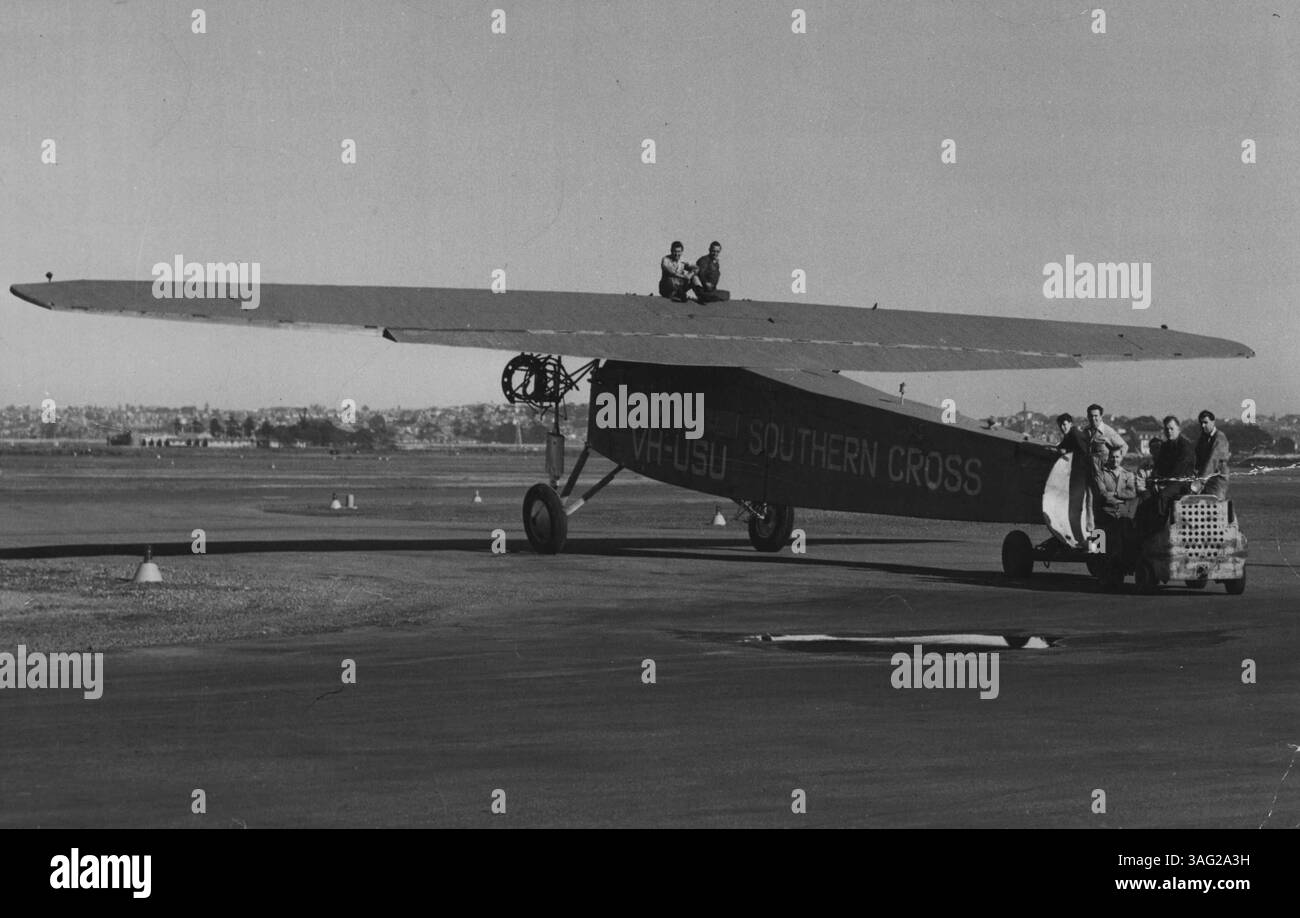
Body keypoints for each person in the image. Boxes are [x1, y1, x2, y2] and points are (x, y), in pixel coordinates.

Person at [1135, 414, 1195, 535]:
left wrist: (1164, 484)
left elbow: (1179, 471)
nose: (1169, 431)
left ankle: (1159, 529)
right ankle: (1141, 530)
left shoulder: (1185, 447)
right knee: (1146, 497)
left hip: (1182, 482)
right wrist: (1156, 482)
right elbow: (1159, 467)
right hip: (1169, 481)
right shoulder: (1166, 446)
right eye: (1166, 429)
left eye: (1172, 428)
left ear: (1179, 429)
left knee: (1163, 495)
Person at [1083, 403, 1127, 482]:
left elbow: (1124, 447)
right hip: (1089, 472)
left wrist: (1115, 464)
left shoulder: (1108, 431)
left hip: (1104, 474)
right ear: (1088, 417)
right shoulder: (1085, 431)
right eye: (1091, 416)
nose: (1093, 418)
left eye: (1096, 416)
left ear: (1101, 417)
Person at [1193, 410, 1230, 499]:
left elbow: (1212, 460)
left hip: (1217, 478)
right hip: (1205, 477)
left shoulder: (1219, 437)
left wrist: (1200, 481)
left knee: (1216, 502)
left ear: (1213, 422)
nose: (1203, 426)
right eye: (1201, 423)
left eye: (1206, 422)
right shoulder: (1202, 438)